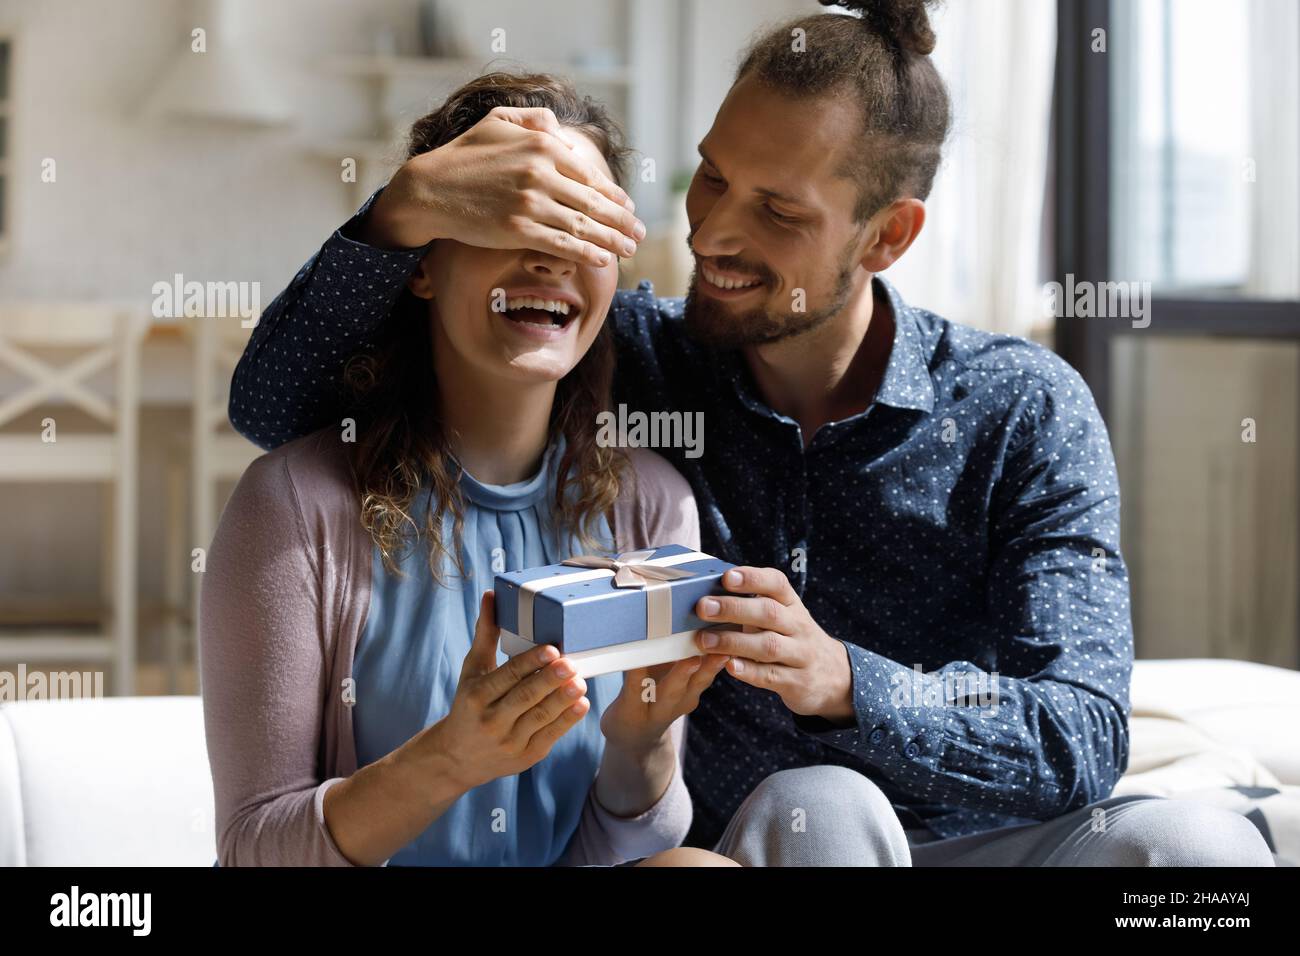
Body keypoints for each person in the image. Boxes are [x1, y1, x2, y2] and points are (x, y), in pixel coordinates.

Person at [224, 0, 1275, 866]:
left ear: (886, 235)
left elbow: (1082, 734)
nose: (716, 234)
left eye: (777, 210)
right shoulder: (638, 353)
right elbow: (283, 411)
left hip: (991, 840)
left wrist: (847, 681)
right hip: (792, 839)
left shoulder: (1021, 410)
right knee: (824, 804)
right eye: (712, 177)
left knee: (1197, 849)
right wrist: (399, 212)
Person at [199, 72, 736, 868]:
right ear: (420, 264)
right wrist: (449, 758)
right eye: (512, 212)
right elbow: (253, 849)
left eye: (582, 223)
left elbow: (611, 850)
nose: (551, 252)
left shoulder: (652, 507)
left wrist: (641, 738)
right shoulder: (295, 505)